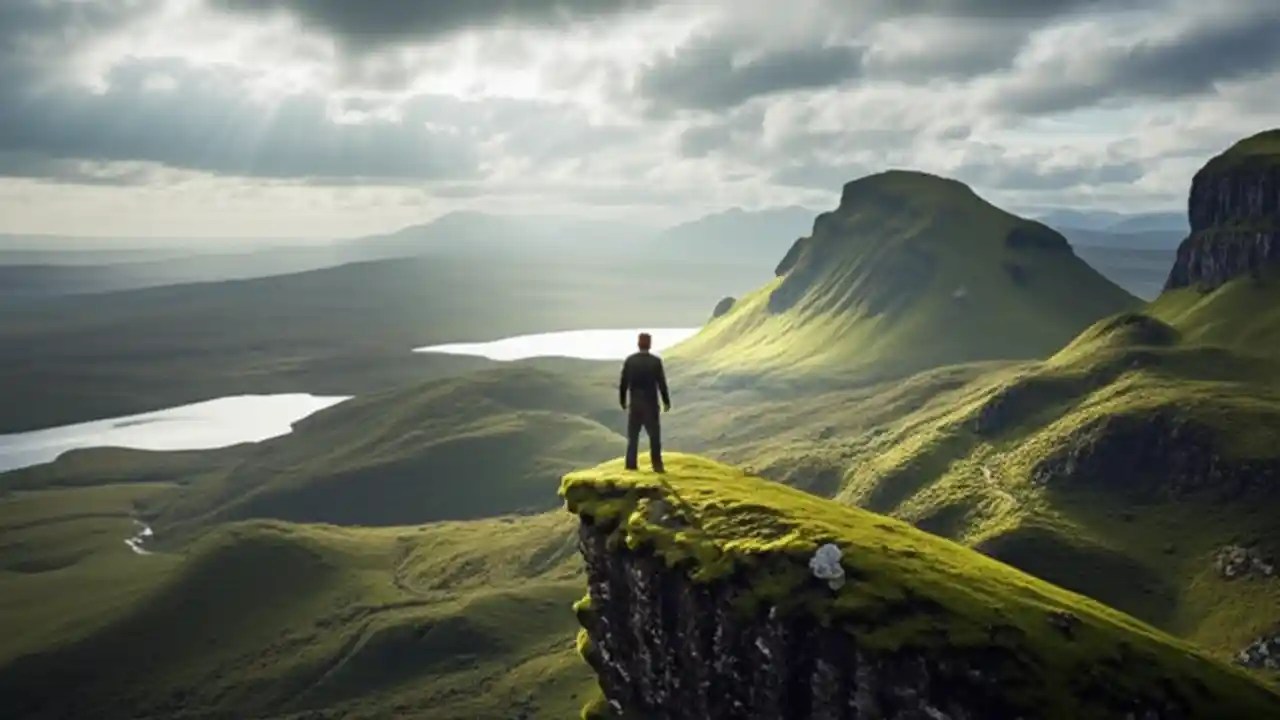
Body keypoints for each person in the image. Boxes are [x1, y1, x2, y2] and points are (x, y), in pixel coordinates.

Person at [619, 332, 671, 472]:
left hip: (635, 404)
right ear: (650, 344)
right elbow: (661, 383)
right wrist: (666, 401)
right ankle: (657, 465)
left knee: (633, 437)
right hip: (651, 404)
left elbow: (624, 382)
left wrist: (622, 400)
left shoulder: (630, 361)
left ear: (638, 344)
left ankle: (631, 465)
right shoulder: (655, 361)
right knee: (654, 437)